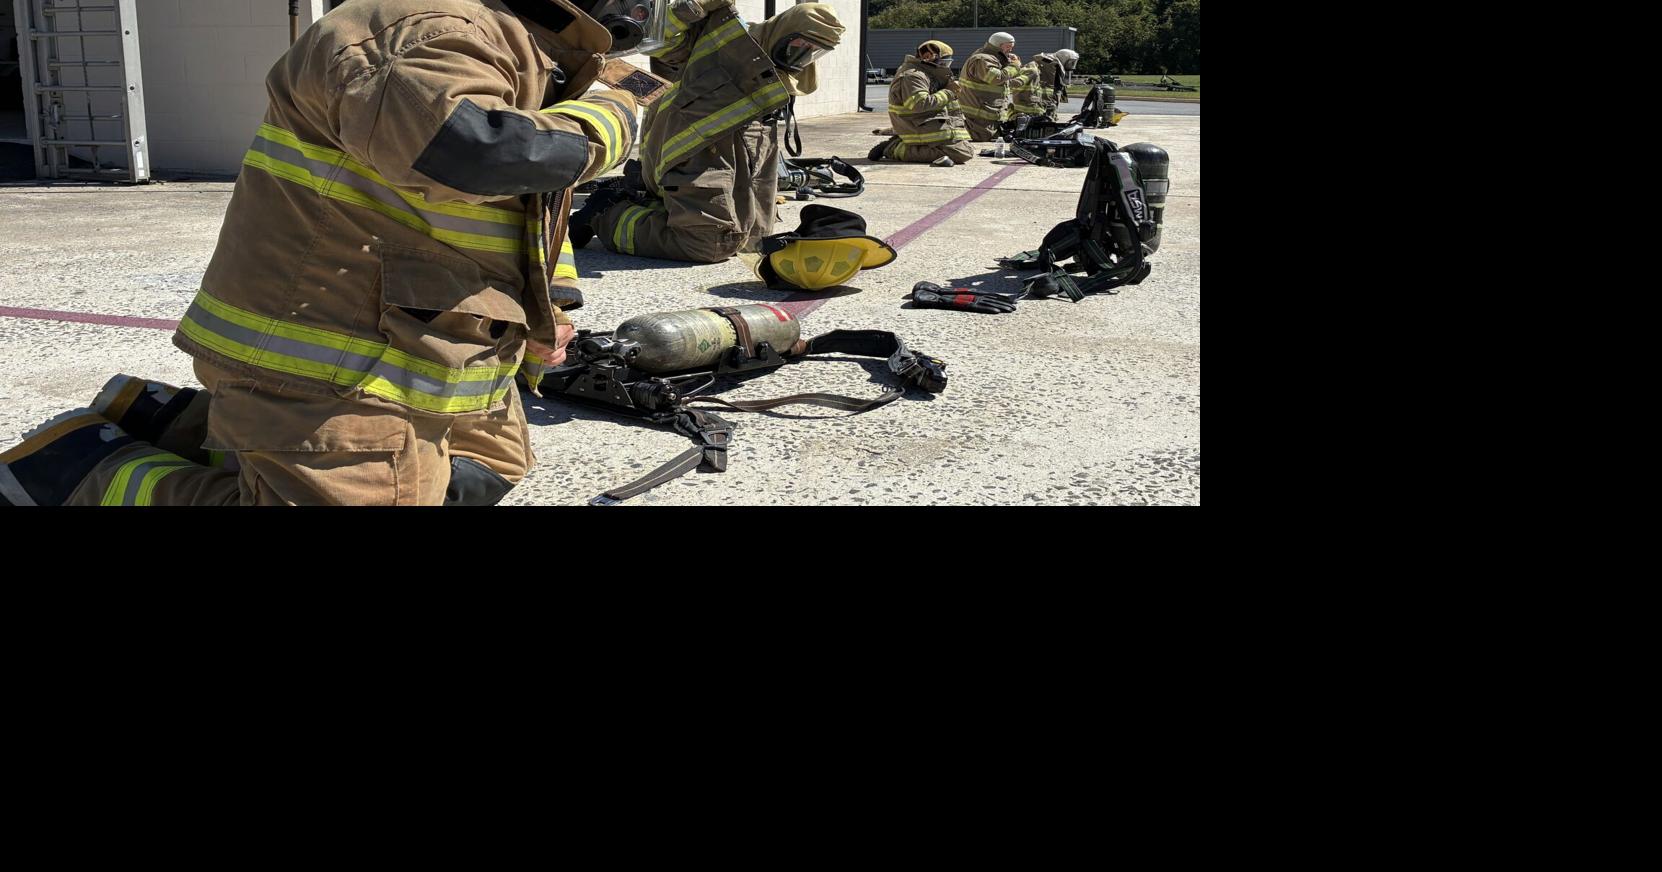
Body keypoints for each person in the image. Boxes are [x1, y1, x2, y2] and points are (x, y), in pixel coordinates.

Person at [0, 0, 650, 507]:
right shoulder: (420, 27)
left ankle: (170, 422)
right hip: (337, 360)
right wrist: (618, 111)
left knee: (488, 469)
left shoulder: (523, 44)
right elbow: (476, 154)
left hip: (439, 346)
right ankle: (74, 466)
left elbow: (528, 202)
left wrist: (553, 302)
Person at [580, 0, 845, 263]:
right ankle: (607, 214)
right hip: (692, 160)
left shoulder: (778, 80)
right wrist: (694, 6)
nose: (802, 56)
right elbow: (660, 40)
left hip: (737, 165)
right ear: (784, 31)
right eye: (800, 46)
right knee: (708, 245)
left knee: (754, 239)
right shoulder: (725, 40)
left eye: (815, 51)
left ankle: (653, 203)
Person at [868, 40, 974, 167]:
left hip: (928, 125)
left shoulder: (928, 74)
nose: (945, 67)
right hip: (918, 126)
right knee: (961, 153)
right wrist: (948, 92)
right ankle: (895, 148)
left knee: (965, 147)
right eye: (943, 63)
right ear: (928, 57)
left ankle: (903, 142)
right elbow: (919, 104)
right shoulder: (913, 76)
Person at [958, 31, 1036, 141]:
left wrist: (1008, 62)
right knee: (983, 138)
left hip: (987, 113)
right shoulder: (982, 59)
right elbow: (996, 78)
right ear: (998, 46)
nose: (1011, 50)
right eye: (1008, 47)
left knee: (994, 137)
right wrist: (1014, 66)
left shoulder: (993, 58)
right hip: (979, 115)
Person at [1011, 48, 1077, 124]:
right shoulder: (1037, 66)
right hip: (1033, 110)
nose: (1072, 65)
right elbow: (1018, 83)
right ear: (1063, 59)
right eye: (1071, 62)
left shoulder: (1055, 68)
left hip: (1045, 109)